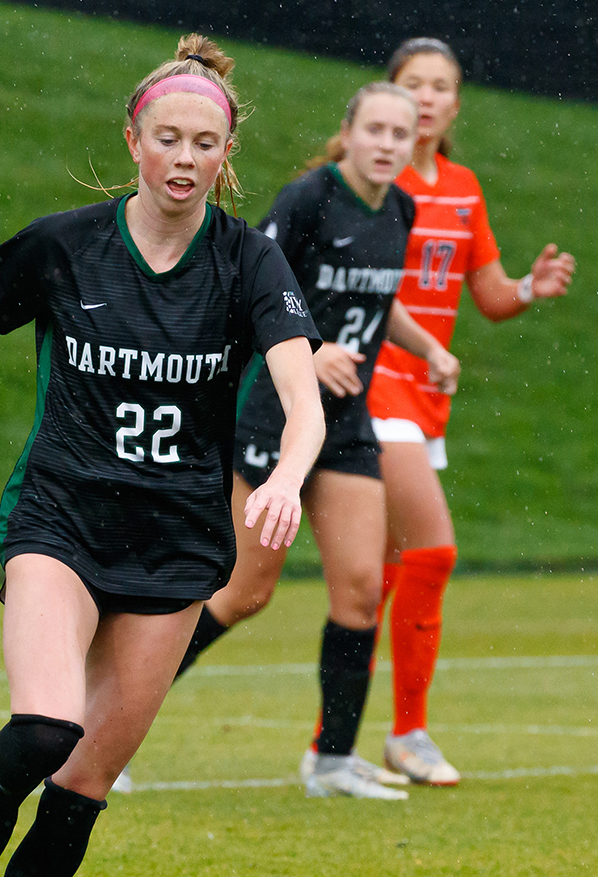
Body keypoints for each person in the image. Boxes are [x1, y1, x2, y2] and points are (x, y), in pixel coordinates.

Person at [0, 35, 324, 877]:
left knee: (80, 790)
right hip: (60, 522)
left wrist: (289, 471)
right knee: (45, 727)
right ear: (133, 140)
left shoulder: (250, 262)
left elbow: (302, 395)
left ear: (226, 152)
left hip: (175, 550)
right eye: (168, 138)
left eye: (205, 142)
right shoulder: (64, 247)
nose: (184, 158)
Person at [157, 82, 460, 801]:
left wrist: (428, 349)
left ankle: (332, 761)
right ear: (348, 133)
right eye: (375, 129)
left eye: (401, 133)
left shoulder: (402, 208)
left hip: (347, 423)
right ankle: (112, 711)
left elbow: (376, 302)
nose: (387, 143)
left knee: (360, 592)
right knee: (243, 592)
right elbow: (248, 288)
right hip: (278, 416)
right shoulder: (308, 200)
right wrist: (309, 349)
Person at [367, 38, 577, 785]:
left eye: (440, 86)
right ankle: (409, 732)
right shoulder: (371, 180)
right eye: (413, 83)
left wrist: (527, 289)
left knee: (376, 574)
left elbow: (487, 296)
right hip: (372, 384)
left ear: (456, 105)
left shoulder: (462, 187)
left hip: (427, 396)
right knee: (433, 552)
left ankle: (336, 741)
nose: (426, 97)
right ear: (388, 93)